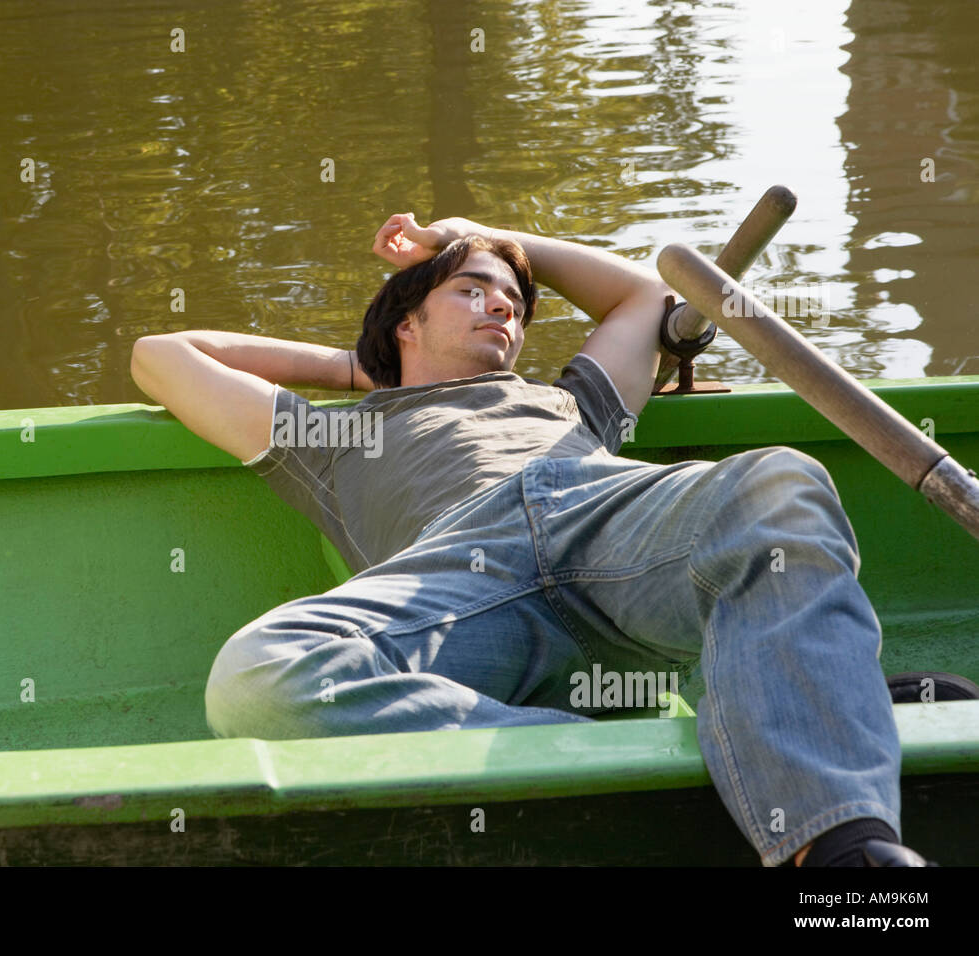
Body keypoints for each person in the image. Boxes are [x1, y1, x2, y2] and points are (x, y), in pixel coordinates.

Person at [129, 212, 931, 867]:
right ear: (406, 320)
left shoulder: (569, 400)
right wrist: (358, 367)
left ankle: (845, 859)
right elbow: (161, 358)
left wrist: (487, 232)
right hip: (459, 583)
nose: (502, 306)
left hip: (607, 522)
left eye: (512, 298)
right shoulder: (332, 439)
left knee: (776, 482)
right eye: (470, 290)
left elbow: (645, 297)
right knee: (259, 675)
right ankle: (681, 760)